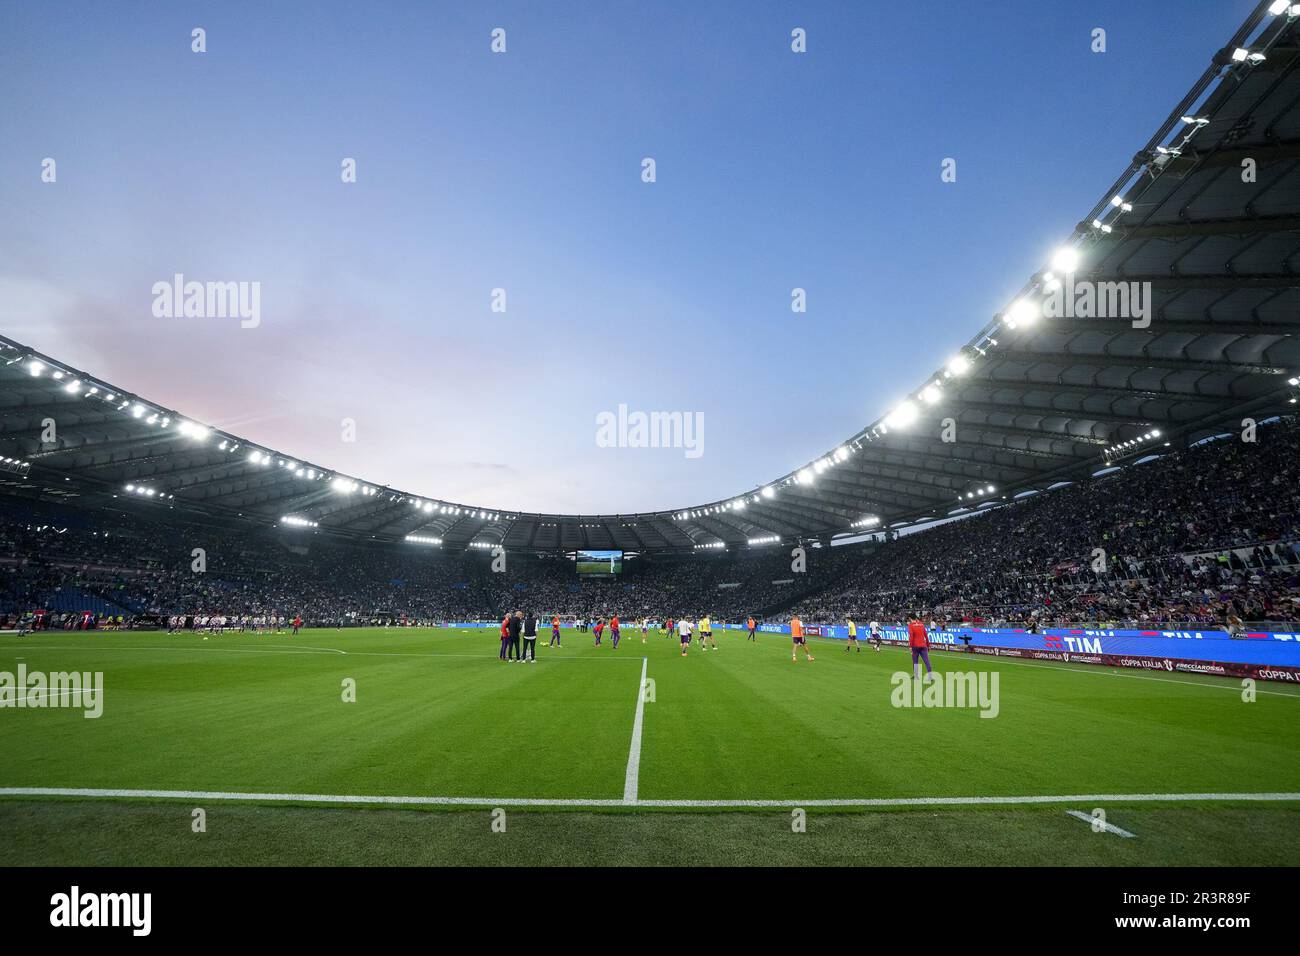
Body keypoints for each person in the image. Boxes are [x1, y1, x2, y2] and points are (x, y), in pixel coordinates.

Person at [908, 612, 933, 680]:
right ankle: (930, 676)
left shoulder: (911, 625)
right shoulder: (921, 624)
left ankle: (916, 676)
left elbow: (911, 636)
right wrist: (928, 645)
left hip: (915, 646)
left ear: (910, 618)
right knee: (927, 661)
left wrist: (910, 646)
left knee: (915, 661)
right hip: (923, 645)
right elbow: (926, 635)